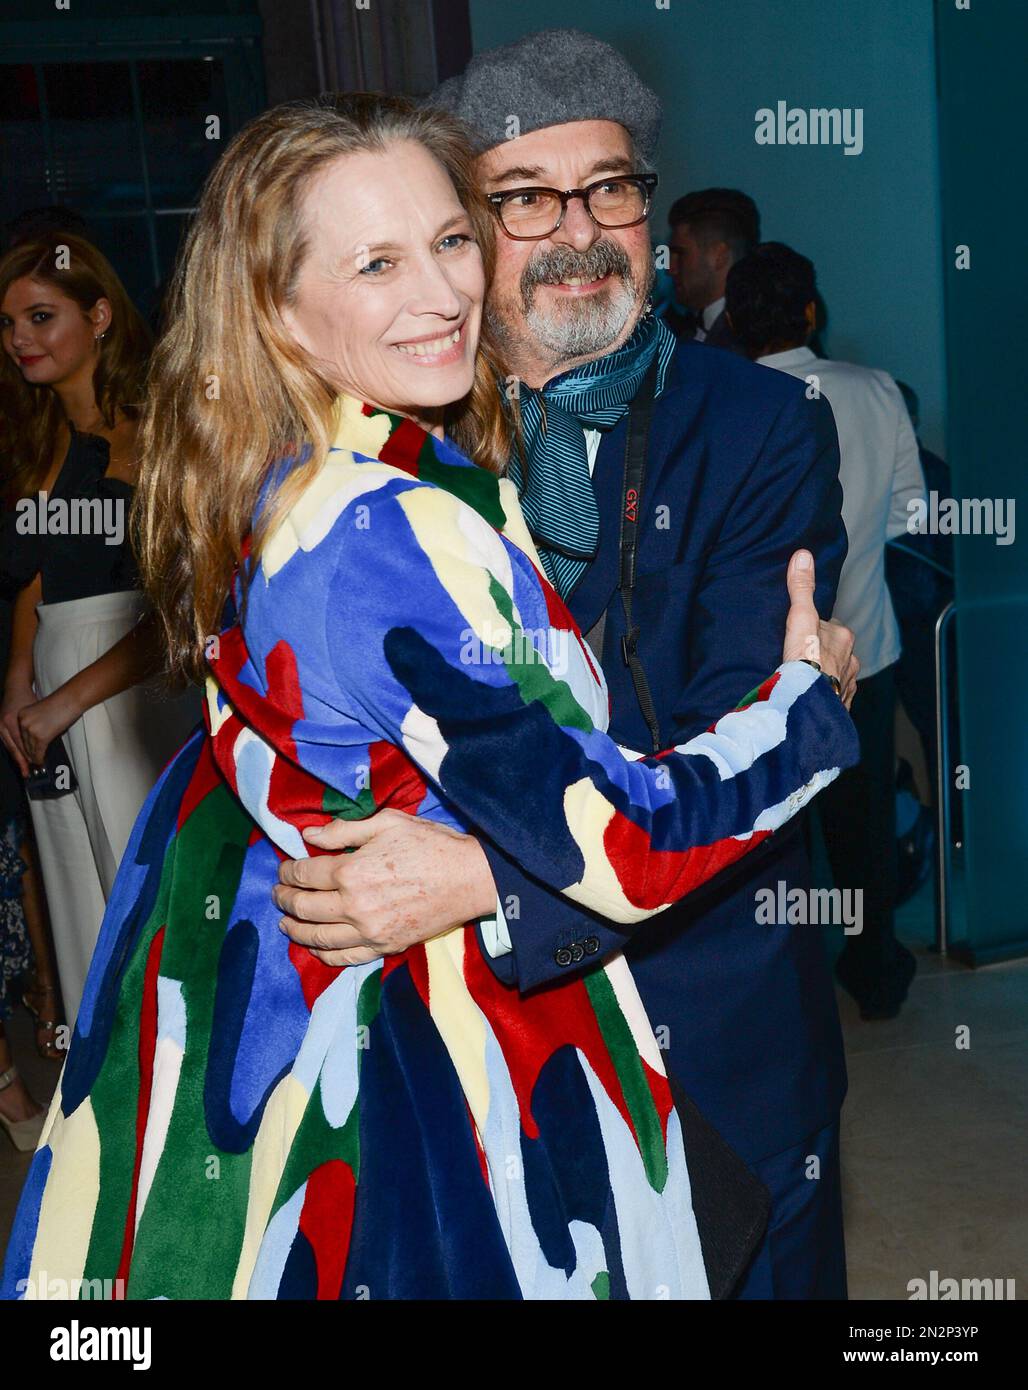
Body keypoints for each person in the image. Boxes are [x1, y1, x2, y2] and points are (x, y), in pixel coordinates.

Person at [1, 93, 857, 1302]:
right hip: (452, 1079)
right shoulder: (381, 526)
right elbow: (624, 842)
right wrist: (804, 708)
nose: (445, 292)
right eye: (375, 261)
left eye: (449, 240)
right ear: (276, 309)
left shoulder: (296, 472)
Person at [274, 30, 854, 1300]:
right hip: (484, 1056)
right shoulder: (382, 449)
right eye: (525, 198)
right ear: (463, 235)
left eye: (610, 187)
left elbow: (736, 732)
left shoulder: (756, 423)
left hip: (721, 1024)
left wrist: (484, 876)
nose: (581, 229)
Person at [0, 234, 198, 1029]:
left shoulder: (154, 433)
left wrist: (63, 701)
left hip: (126, 689)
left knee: (141, 898)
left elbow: (180, 609)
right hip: (50, 684)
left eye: (41, 316)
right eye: (8, 323)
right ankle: (104, 1101)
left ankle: (177, 1094)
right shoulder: (40, 440)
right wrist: (20, 682)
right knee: (79, 905)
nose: (19, 339)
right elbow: (39, 574)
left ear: (102, 315)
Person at [725, 240, 926, 1019]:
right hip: (868, 652)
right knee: (862, 830)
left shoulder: (731, 399)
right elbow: (912, 510)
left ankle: (784, 989)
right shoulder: (877, 390)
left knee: (772, 840)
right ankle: (875, 971)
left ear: (738, 322)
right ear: (812, 310)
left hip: (761, 667)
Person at [664, 188, 758, 351]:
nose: (669, 269)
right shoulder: (678, 330)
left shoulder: (759, 339)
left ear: (719, 255)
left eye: (680, 254)